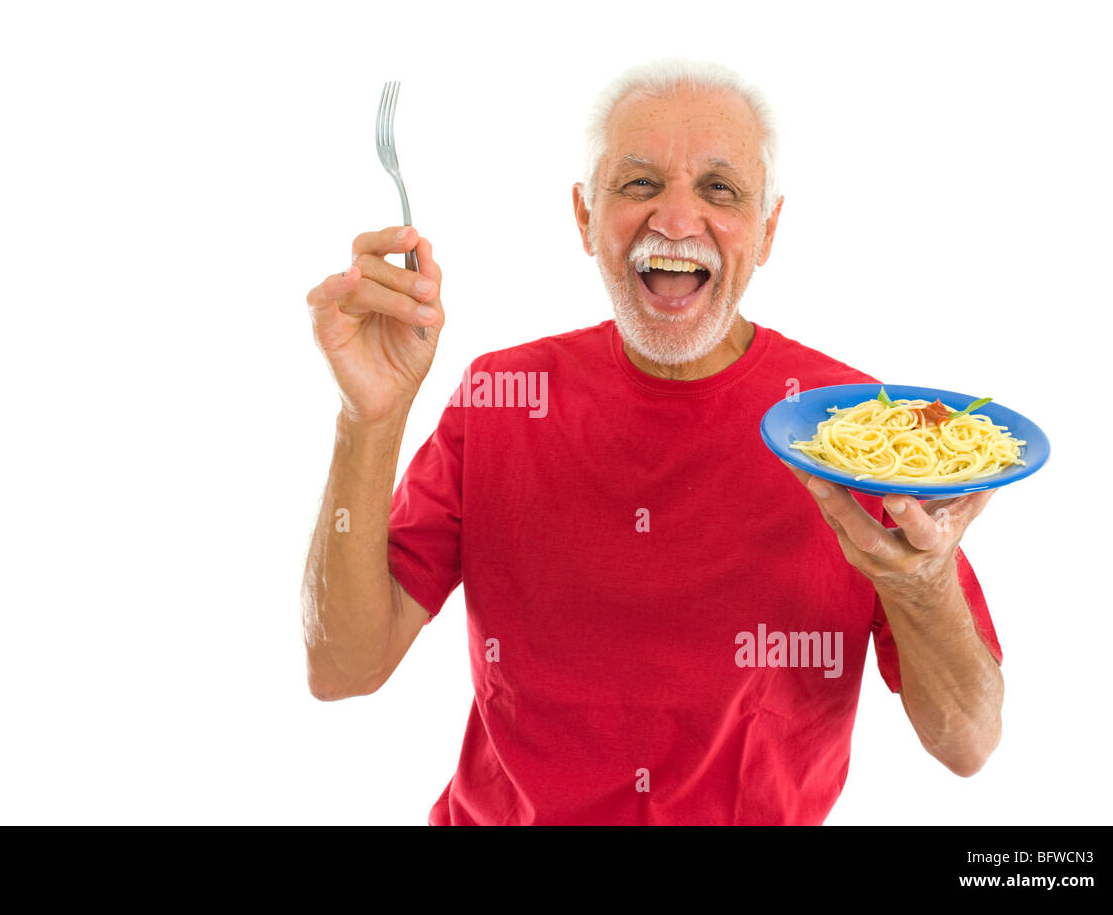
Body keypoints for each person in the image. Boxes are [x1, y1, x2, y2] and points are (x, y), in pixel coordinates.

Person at [302, 57, 1004, 825]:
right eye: (638, 184)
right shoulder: (500, 397)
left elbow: (967, 742)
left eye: (720, 190)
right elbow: (343, 666)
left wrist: (922, 585)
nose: (675, 220)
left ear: (767, 229)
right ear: (583, 216)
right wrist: (367, 419)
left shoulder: (853, 429)